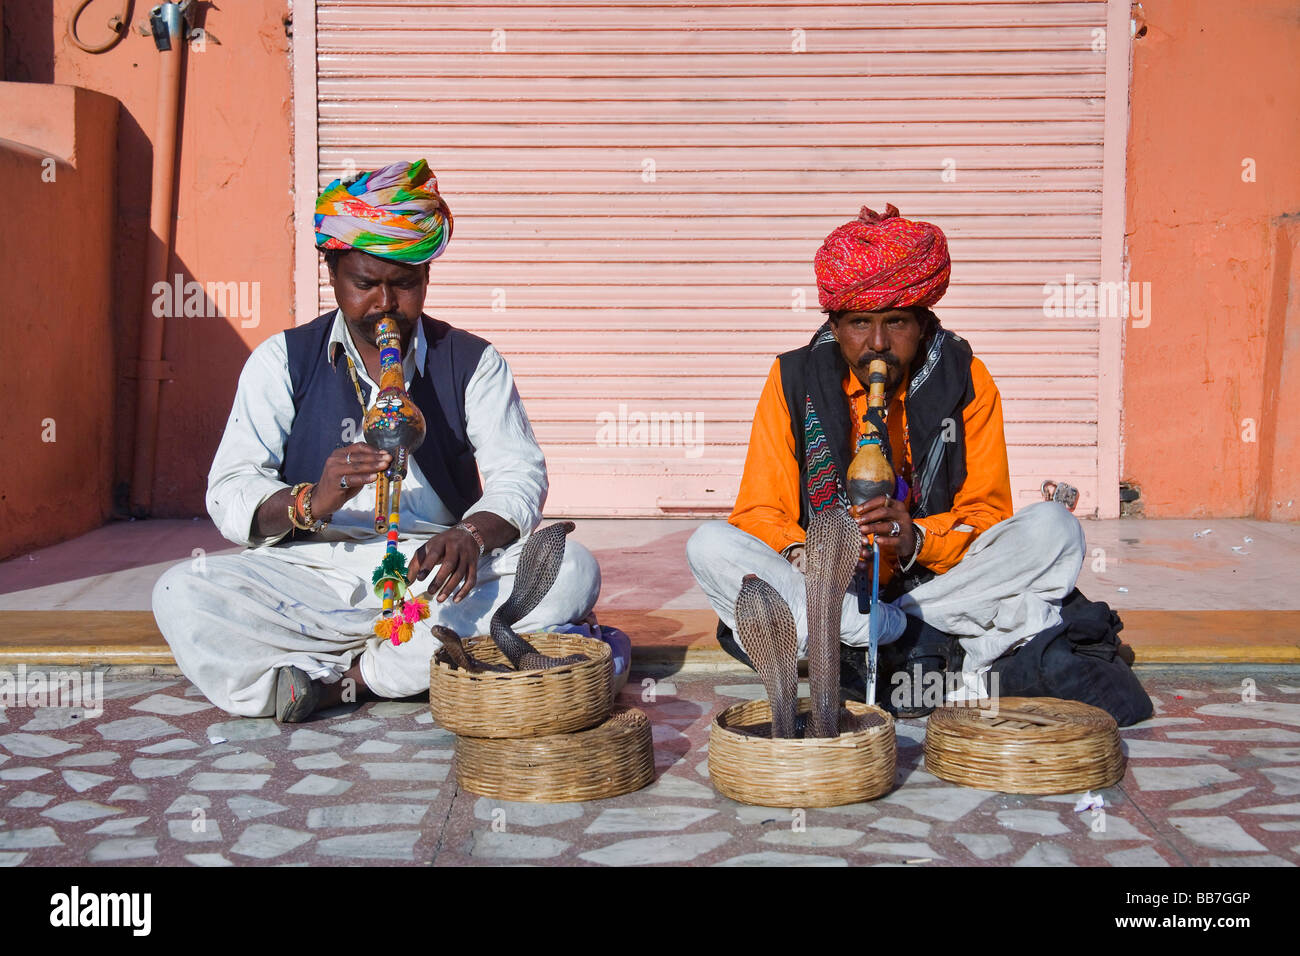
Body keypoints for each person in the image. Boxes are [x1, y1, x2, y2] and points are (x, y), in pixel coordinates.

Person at [153, 159, 601, 722]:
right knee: (181, 591)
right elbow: (230, 489)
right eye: (365, 284)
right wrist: (309, 501)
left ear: (426, 280)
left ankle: (350, 679)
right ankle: (409, 662)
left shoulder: (473, 362)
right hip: (316, 574)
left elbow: (519, 477)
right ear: (333, 273)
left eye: (405, 285)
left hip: (433, 576)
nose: (386, 306)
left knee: (571, 570)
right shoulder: (281, 361)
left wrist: (470, 533)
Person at [686, 204, 1086, 713]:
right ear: (834, 325)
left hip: (937, 584)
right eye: (859, 324)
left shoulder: (966, 378)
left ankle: (875, 636)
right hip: (829, 591)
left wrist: (916, 537)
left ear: (922, 323)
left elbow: (986, 516)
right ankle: (883, 632)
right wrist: (812, 555)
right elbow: (759, 512)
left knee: (1055, 530)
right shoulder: (792, 379)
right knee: (710, 545)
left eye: (896, 322)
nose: (877, 344)